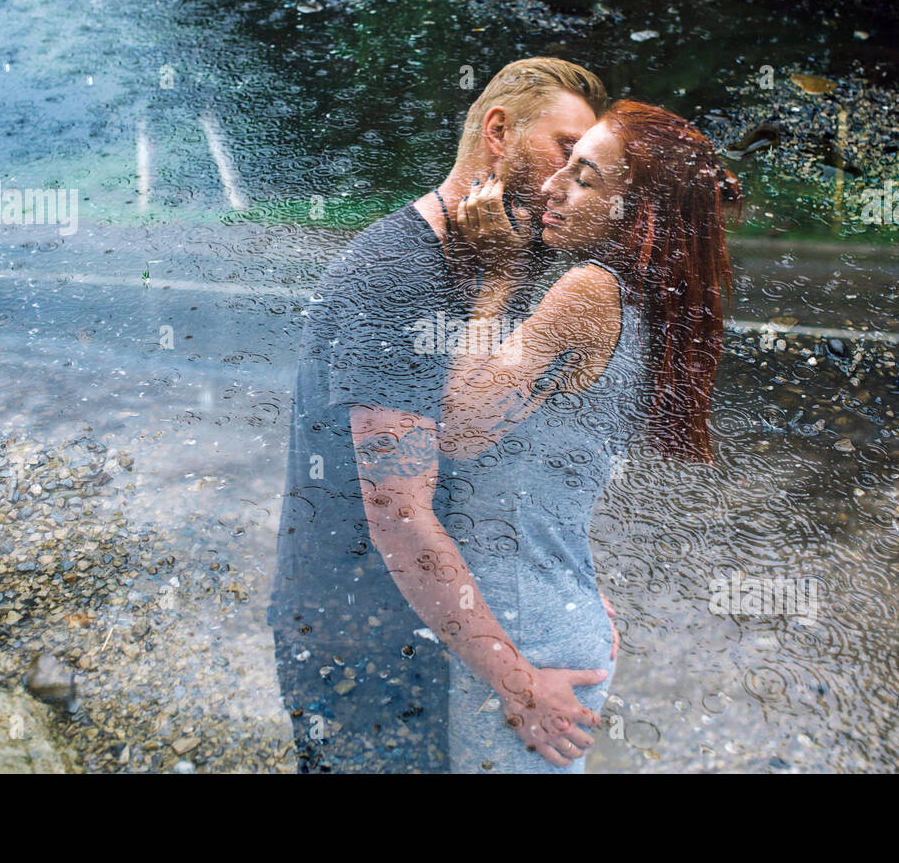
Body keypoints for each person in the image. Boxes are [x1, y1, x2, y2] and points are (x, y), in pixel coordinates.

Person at [267, 57, 610, 772]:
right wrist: (521, 688)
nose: (568, 179)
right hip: (359, 641)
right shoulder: (399, 271)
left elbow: (512, 461)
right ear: (497, 132)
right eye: (562, 149)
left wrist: (570, 588)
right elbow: (399, 509)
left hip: (435, 631)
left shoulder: (495, 259)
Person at [424, 98, 742, 771]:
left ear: (640, 210)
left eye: (586, 176)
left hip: (527, 642)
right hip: (546, 618)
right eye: (564, 163)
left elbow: (456, 429)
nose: (552, 185)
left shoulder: (587, 291)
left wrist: (498, 278)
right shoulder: (646, 295)